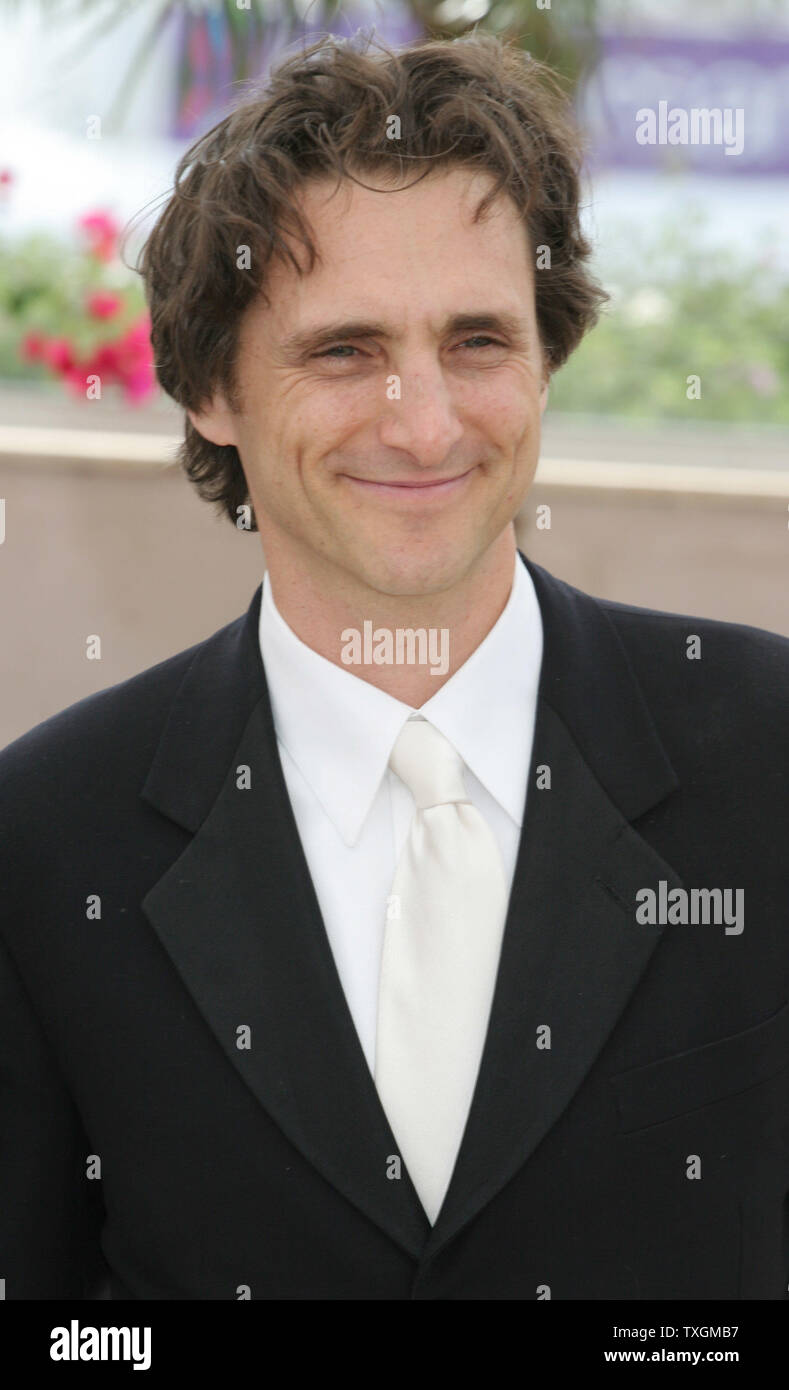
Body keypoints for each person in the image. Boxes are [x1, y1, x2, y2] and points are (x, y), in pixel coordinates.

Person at [1, 32, 787, 1302]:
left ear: (548, 353)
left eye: (477, 341)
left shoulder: (768, 754)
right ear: (210, 386)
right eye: (344, 350)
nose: (423, 424)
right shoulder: (42, 846)